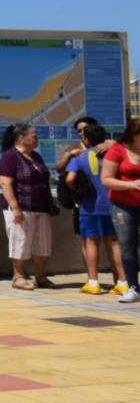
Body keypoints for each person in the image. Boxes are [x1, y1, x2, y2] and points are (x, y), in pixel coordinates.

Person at [66, 123, 129, 297]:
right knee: (115, 243)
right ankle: (123, 283)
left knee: (91, 243)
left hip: (90, 207)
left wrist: (77, 191)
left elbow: (70, 179)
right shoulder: (114, 154)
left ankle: (93, 282)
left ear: (86, 139)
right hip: (114, 204)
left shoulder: (80, 157)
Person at [0, 123, 55, 292]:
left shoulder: (36, 156)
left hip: (41, 207)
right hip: (21, 207)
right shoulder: (10, 156)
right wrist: (16, 208)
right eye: (34, 136)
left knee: (43, 244)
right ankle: (18, 277)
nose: (37, 139)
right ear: (22, 138)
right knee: (20, 242)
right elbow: (5, 183)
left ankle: (41, 277)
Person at [100, 117, 140, 304]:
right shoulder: (118, 149)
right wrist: (130, 184)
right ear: (134, 134)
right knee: (128, 244)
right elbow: (106, 179)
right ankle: (133, 287)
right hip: (122, 204)